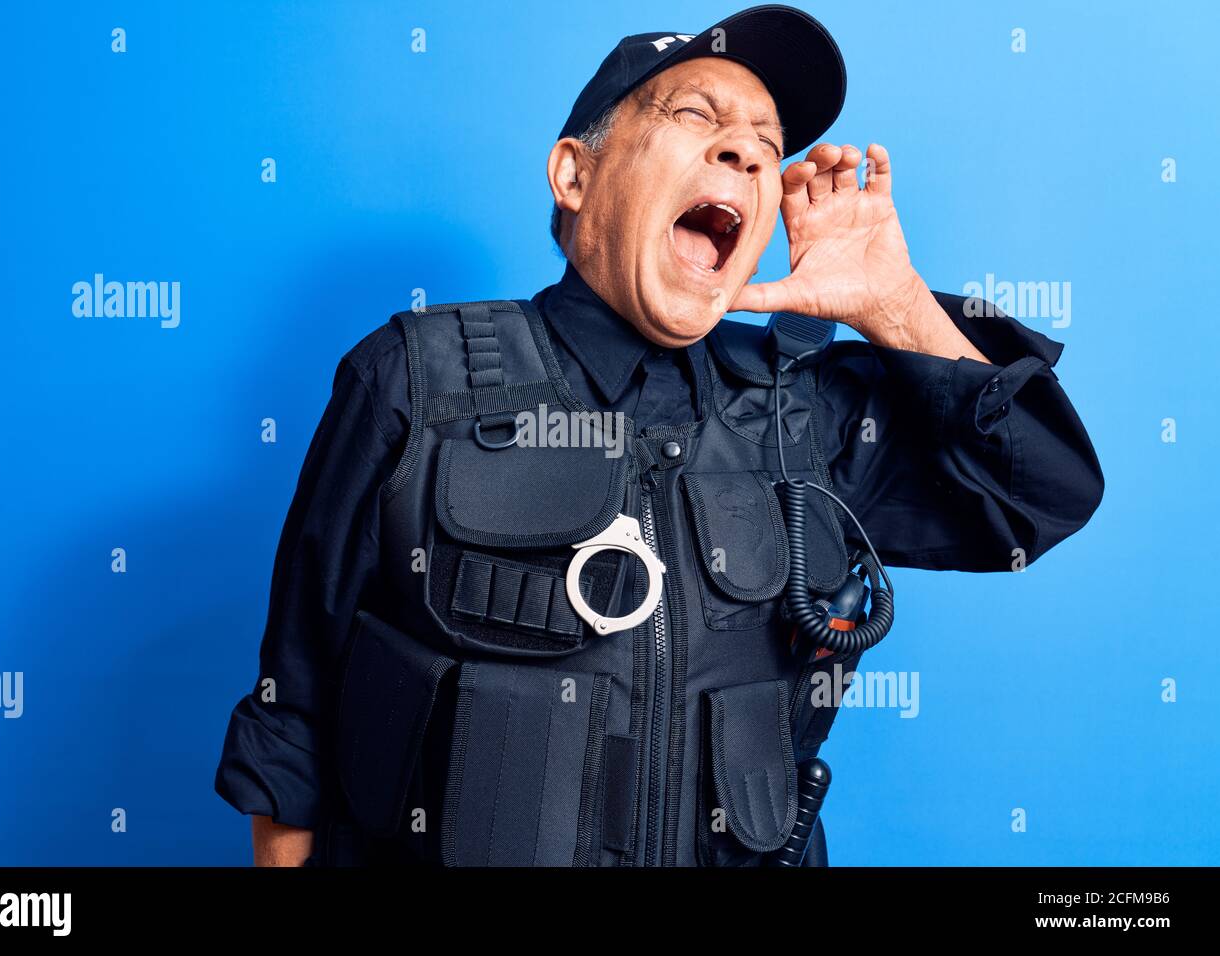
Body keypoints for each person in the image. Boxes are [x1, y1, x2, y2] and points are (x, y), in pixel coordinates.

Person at [215, 5, 1103, 867]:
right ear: (573, 174)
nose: (746, 151)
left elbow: (1043, 495)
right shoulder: (414, 378)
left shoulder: (811, 410)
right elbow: (293, 709)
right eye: (694, 115)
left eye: (767, 144)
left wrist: (894, 305)